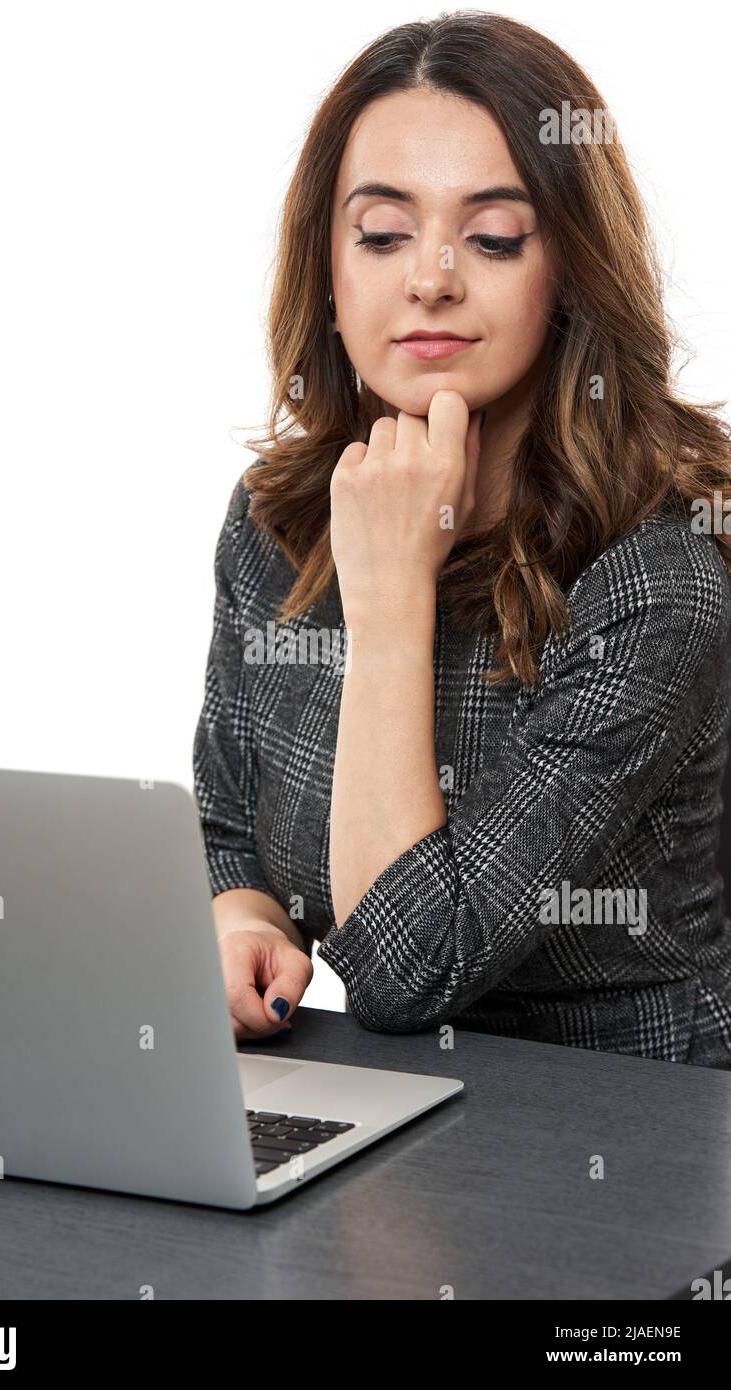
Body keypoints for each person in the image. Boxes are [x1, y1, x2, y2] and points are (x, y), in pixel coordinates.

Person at [193, 12, 731, 1066]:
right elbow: (228, 826)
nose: (429, 277)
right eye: (383, 233)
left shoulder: (658, 579)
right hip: (387, 1112)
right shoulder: (278, 515)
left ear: (568, 271)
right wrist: (245, 920)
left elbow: (405, 966)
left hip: (631, 1145)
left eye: (490, 238)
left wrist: (391, 598)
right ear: (330, 269)